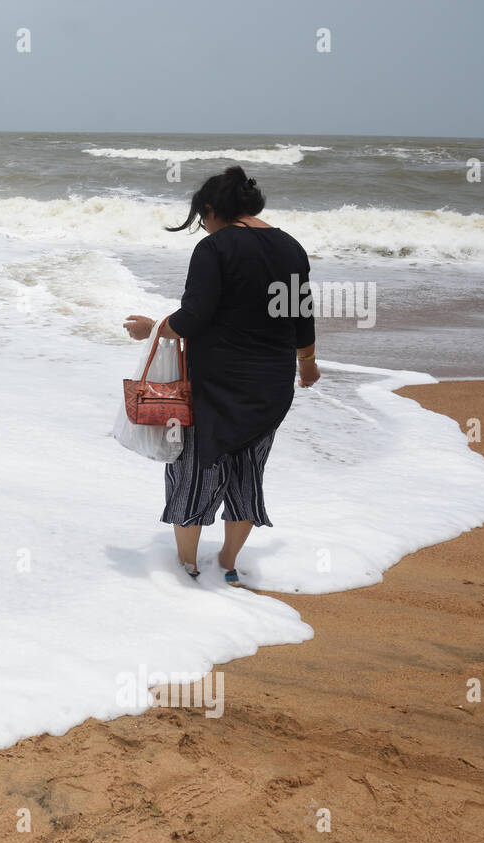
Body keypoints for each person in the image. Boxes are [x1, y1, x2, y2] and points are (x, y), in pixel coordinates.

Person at [123, 165, 320, 587]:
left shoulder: (215, 249)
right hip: (271, 388)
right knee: (249, 470)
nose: (204, 228)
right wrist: (308, 365)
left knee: (194, 469)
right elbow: (300, 316)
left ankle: (187, 569)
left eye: (202, 219)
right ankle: (228, 564)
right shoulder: (291, 247)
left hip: (213, 387)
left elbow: (193, 318)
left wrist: (153, 329)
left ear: (212, 209)